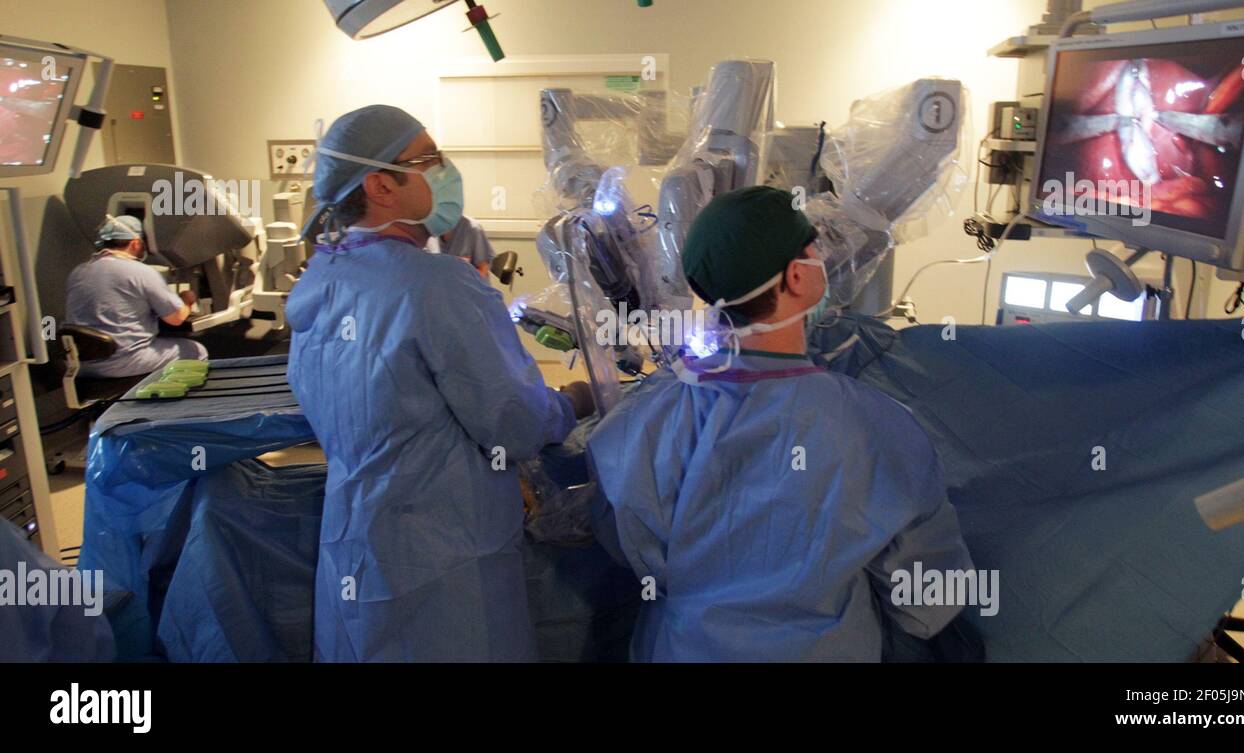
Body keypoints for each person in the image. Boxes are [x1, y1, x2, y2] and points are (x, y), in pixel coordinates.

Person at [585, 186, 977, 662]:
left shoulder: (644, 418)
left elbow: (635, 549)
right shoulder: (876, 427)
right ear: (796, 276)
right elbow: (927, 600)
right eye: (813, 249)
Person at [287, 104, 591, 662]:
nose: (445, 170)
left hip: (356, 534)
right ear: (380, 184)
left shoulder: (322, 278)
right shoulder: (435, 286)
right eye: (429, 159)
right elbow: (515, 425)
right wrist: (572, 401)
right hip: (443, 553)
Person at [64, 215, 206, 377]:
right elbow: (176, 318)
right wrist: (187, 299)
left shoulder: (78, 272)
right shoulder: (141, 272)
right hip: (123, 362)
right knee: (195, 351)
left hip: (81, 365)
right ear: (135, 243)